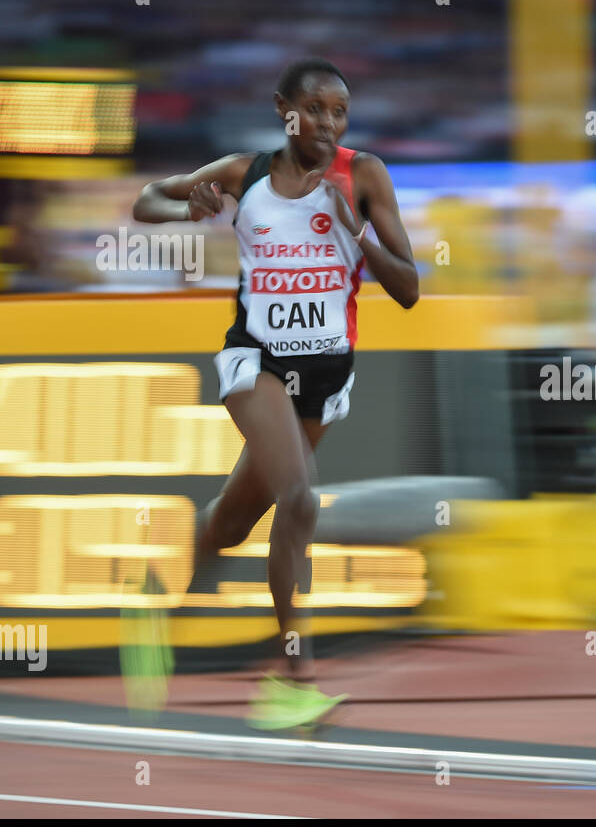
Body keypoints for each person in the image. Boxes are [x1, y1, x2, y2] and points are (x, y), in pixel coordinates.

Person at [131, 58, 419, 731]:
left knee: (233, 522)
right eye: (313, 108)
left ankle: (156, 613)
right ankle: (294, 680)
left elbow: (408, 288)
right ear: (282, 109)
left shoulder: (365, 175)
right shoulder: (244, 173)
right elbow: (147, 199)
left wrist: (356, 231)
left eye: (339, 111)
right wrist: (186, 202)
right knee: (300, 496)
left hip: (325, 374)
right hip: (254, 362)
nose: (326, 122)